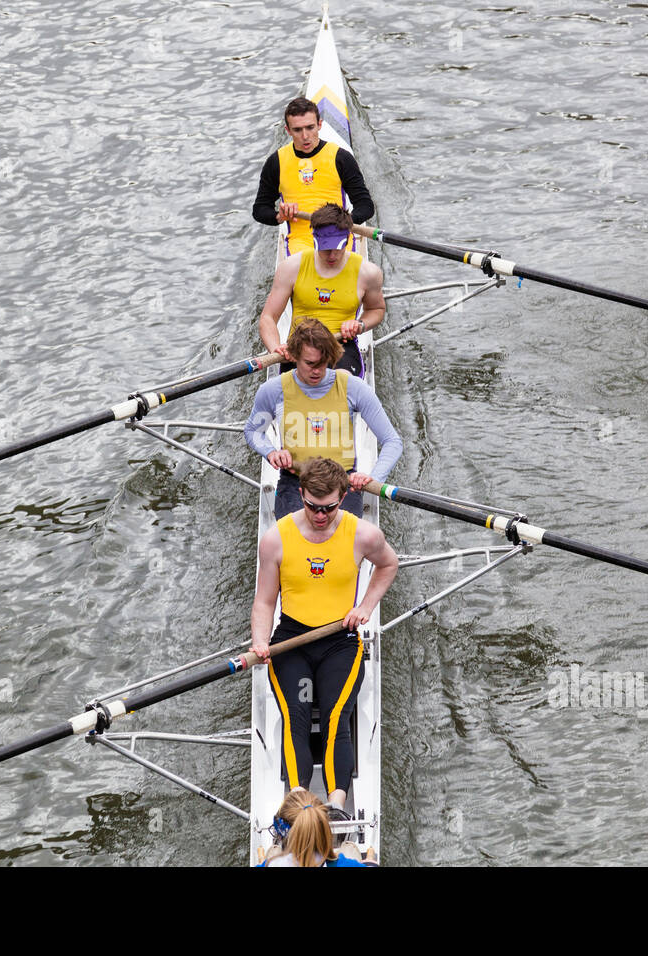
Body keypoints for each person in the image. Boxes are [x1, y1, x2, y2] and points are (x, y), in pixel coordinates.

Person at [250, 457, 400, 817]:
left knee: (336, 716)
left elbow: (389, 564)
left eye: (329, 508)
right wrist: (260, 641)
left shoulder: (364, 534)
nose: (321, 515)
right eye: (312, 506)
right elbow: (265, 601)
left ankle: (336, 807)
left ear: (343, 497)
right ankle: (298, 805)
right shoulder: (275, 539)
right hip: (292, 642)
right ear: (301, 493)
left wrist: (365, 607)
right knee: (296, 716)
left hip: (340, 641)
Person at [244, 318, 402, 519]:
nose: (317, 371)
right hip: (295, 482)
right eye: (310, 364)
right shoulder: (273, 390)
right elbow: (253, 431)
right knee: (297, 538)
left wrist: (373, 478)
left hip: (343, 483)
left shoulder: (353, 387)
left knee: (341, 538)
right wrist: (271, 452)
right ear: (294, 357)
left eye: (322, 362)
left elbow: (392, 441)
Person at [258, 203, 384, 379]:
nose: (332, 255)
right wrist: (276, 348)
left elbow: (376, 309)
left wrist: (360, 325)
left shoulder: (368, 273)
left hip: (340, 344)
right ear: (314, 239)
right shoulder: (291, 267)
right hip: (299, 346)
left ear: (348, 239)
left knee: (340, 382)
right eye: (325, 248)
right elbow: (268, 318)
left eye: (337, 248)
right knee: (296, 387)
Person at [252, 96, 375, 257]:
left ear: (319, 124)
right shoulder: (276, 162)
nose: (305, 136)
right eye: (297, 130)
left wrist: (345, 220)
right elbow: (259, 209)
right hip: (299, 242)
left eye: (310, 127)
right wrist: (279, 216)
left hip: (337, 236)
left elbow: (366, 206)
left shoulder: (341, 158)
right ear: (288, 130)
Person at [258, 790, 369, 868]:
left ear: (281, 834)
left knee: (273, 851)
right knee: (348, 848)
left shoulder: (270, 864)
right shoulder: (348, 865)